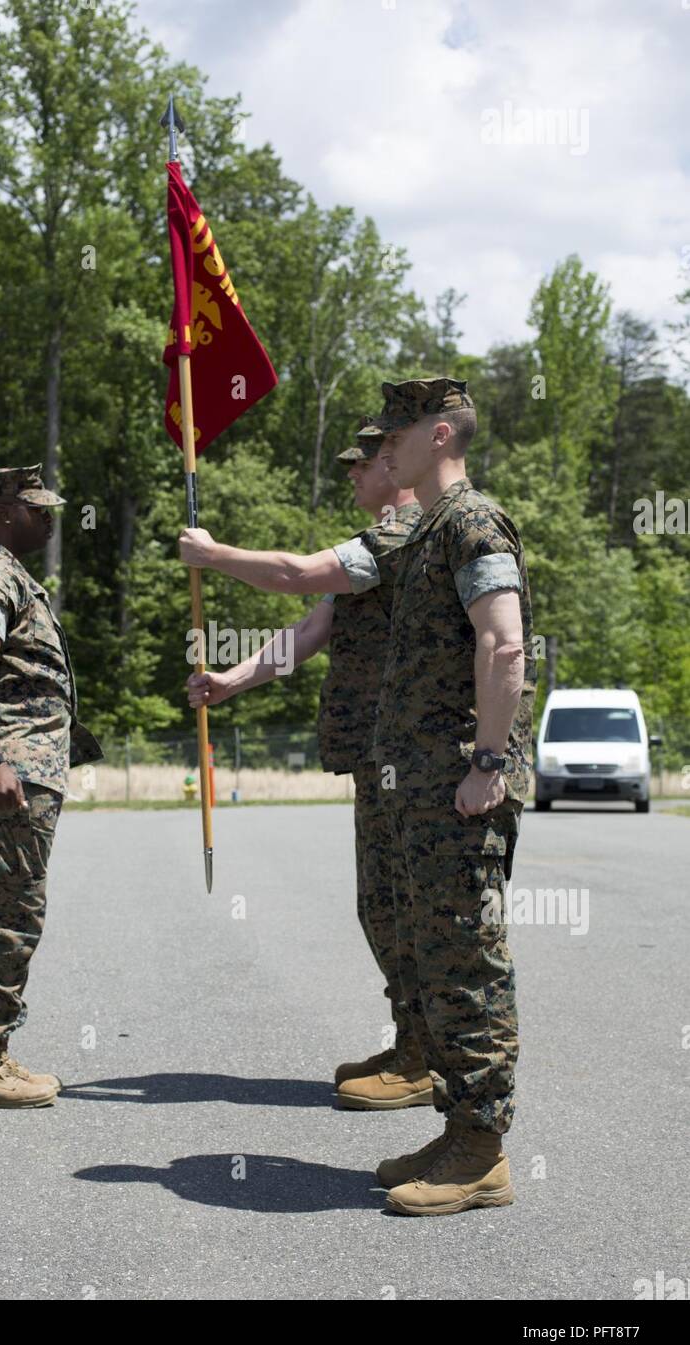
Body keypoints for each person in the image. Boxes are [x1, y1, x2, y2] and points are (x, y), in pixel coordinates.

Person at [178, 424, 430, 1109]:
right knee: (382, 906)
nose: (349, 476)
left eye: (361, 466)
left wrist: (214, 554)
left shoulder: (405, 532)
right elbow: (309, 634)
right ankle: (413, 1043)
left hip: (411, 758)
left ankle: (424, 1060)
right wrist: (231, 681)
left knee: (410, 910)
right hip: (378, 757)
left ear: (394, 468)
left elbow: (293, 576)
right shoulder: (373, 546)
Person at [361, 378, 536, 1216]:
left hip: (456, 789)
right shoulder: (427, 528)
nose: (382, 444)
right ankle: (455, 1126)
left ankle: (482, 1149)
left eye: (395, 431)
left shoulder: (469, 520)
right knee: (435, 959)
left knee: (465, 960)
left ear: (437, 435)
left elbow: (503, 647)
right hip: (423, 789)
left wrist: (488, 762)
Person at [0, 465, 102, 1108]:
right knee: (11, 912)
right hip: (9, 773)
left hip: (21, 768)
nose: (50, 516)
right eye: (39, 507)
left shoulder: (5, 570)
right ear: (5, 511)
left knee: (8, 907)